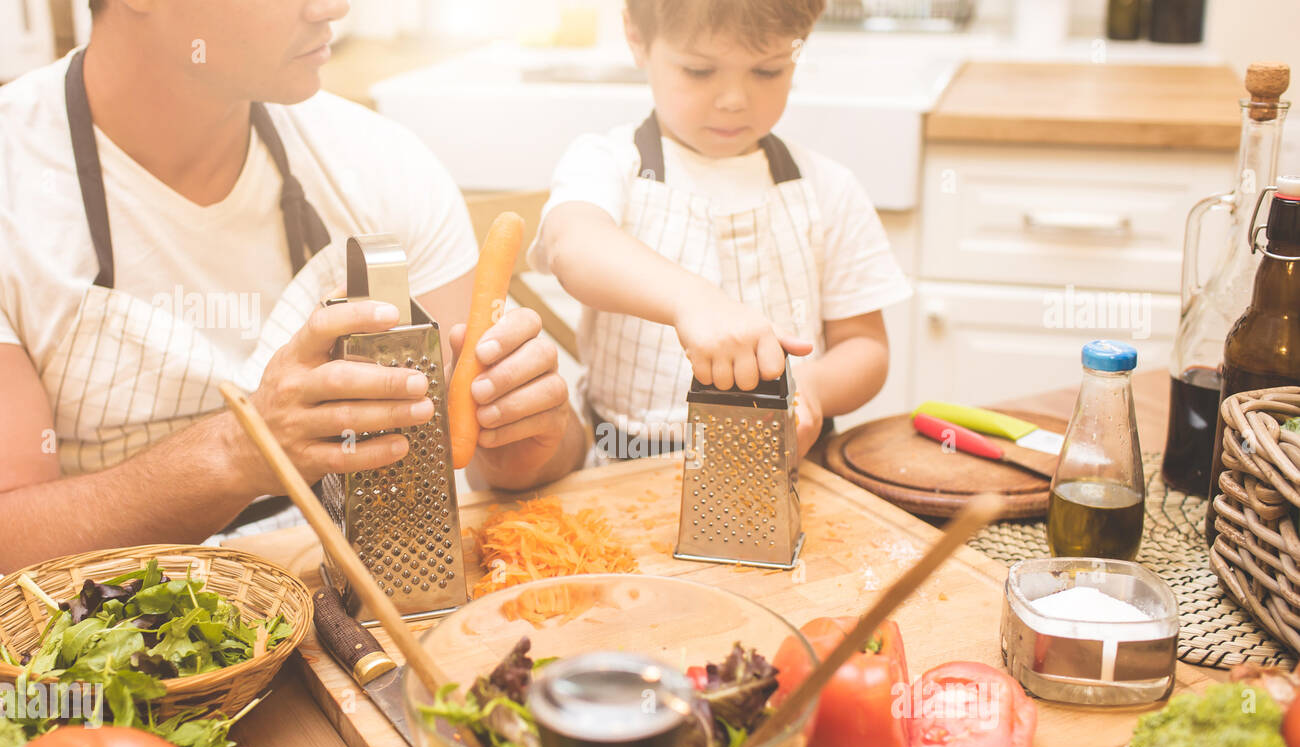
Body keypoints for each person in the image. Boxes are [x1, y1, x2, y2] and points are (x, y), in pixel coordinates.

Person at [0, 0, 588, 573]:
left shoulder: (381, 162)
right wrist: (238, 454)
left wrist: (527, 446)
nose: (334, 8)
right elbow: (10, 535)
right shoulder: (17, 178)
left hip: (361, 605)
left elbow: (486, 455)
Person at [530, 0, 911, 464]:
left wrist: (813, 388)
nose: (734, 99)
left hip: (792, 465)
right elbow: (574, 247)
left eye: (767, 71)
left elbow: (865, 347)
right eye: (698, 71)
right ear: (636, 37)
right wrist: (694, 301)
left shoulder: (827, 187)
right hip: (630, 464)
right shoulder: (607, 162)